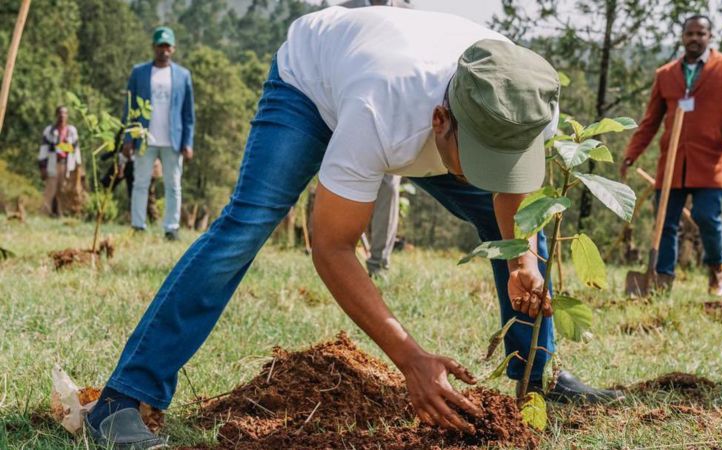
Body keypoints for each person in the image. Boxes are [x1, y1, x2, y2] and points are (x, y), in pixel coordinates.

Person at [85, 8, 619, 448]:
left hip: (400, 83)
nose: (491, 178)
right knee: (245, 226)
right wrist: (410, 359)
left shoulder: (524, 99)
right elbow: (332, 247)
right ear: (440, 123)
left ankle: (537, 380)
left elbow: (513, 199)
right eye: (480, 162)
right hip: (311, 83)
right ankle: (121, 400)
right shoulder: (380, 111)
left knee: (517, 231)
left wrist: (523, 259)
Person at [621, 14, 722, 296]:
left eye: (700, 33)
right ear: (683, 37)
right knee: (665, 222)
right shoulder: (666, 74)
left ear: (710, 36)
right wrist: (632, 153)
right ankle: (662, 281)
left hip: (713, 160)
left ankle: (716, 267)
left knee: (706, 216)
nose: (695, 38)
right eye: (690, 33)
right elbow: (650, 121)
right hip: (673, 162)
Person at [338, 0, 410, 277]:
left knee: (389, 186)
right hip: (347, 109)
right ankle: (338, 255)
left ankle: (378, 264)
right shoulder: (345, 11)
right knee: (340, 178)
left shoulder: (408, 15)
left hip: (392, 114)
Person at [123, 26, 195, 241]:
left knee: (173, 186)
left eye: (167, 46)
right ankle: (138, 225)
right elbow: (129, 107)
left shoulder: (183, 75)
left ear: (173, 48)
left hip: (173, 140)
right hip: (145, 138)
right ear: (153, 47)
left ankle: (171, 228)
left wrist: (188, 142)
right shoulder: (139, 73)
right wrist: (128, 138)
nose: (163, 50)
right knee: (140, 183)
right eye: (160, 46)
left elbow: (188, 113)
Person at [37, 106, 82, 216]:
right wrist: (42, 166)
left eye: (65, 113)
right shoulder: (50, 131)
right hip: (53, 163)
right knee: (50, 190)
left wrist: (78, 165)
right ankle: (44, 214)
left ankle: (62, 214)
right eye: (60, 113)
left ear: (67, 116)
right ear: (56, 115)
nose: (62, 116)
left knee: (63, 190)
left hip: (67, 164)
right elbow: (44, 149)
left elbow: (75, 149)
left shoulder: (72, 131)